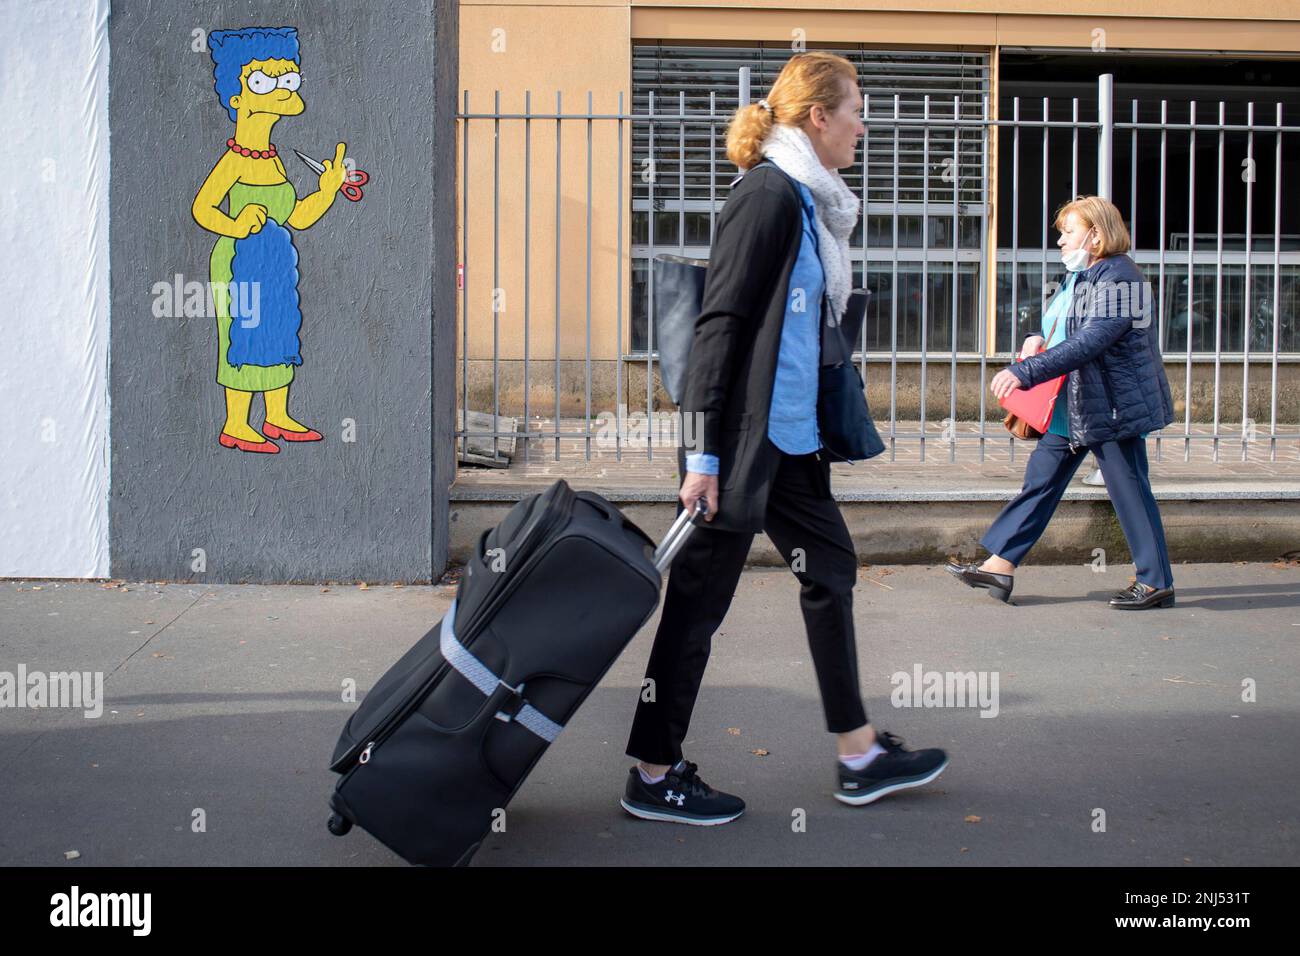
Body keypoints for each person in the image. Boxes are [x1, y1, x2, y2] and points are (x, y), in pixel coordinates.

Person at [621, 53, 948, 827]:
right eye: (856, 112)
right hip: (736, 447)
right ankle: (653, 771)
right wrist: (701, 457)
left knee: (829, 571)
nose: (864, 128)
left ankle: (859, 753)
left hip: (789, 443)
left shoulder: (807, 202)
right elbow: (719, 325)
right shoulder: (767, 196)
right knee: (698, 605)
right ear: (818, 118)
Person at [946, 195, 1176, 610]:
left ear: (1095, 234)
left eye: (1068, 232)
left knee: (1129, 490)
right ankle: (1000, 565)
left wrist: (1024, 372)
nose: (1061, 242)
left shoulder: (1120, 279)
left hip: (1111, 405)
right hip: (1075, 404)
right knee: (1042, 480)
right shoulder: (1086, 275)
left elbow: (1091, 341)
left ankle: (1156, 582)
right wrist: (1038, 336)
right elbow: (1068, 327)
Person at [192, 27, 349, 454]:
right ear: (238, 97)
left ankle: (276, 415)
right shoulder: (233, 160)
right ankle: (236, 423)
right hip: (239, 260)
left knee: (279, 330)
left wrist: (329, 190)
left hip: (277, 260)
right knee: (243, 336)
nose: (282, 88)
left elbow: (295, 215)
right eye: (265, 80)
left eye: (288, 78)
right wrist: (238, 223)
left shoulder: (273, 158)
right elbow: (202, 210)